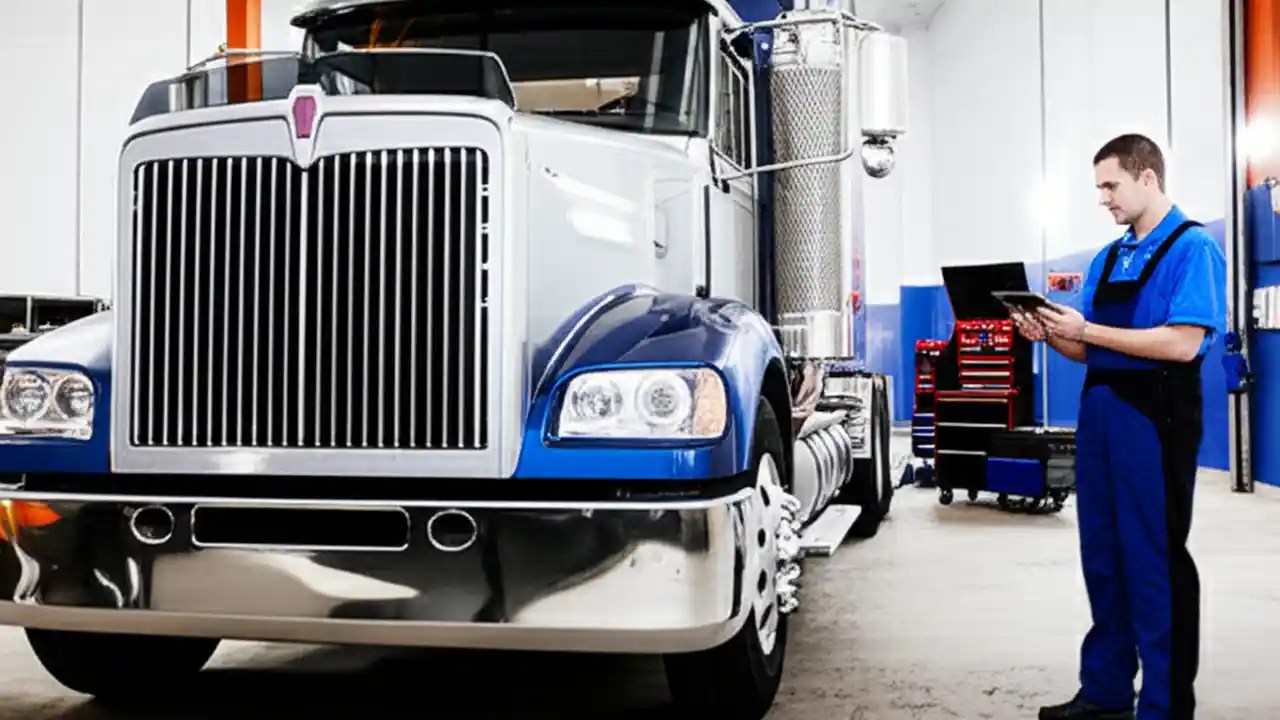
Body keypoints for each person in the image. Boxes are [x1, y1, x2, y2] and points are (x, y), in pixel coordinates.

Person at [1013, 134, 1226, 720]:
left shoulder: (1193, 248)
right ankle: (1106, 688)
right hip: (1100, 414)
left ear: (1148, 178)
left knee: (1153, 558)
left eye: (1111, 185)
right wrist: (1050, 333)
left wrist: (1086, 331)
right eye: (1099, 188)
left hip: (1154, 420)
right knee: (1102, 556)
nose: (1103, 199)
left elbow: (1183, 344)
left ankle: (1163, 703)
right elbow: (1089, 350)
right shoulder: (1108, 258)